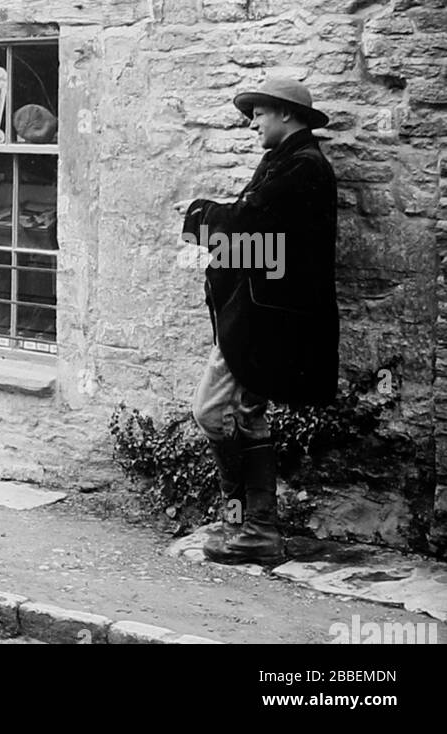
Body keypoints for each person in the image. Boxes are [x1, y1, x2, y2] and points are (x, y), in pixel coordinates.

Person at [182, 77, 339, 564]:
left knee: (210, 411)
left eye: (260, 114)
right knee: (247, 414)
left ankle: (250, 525)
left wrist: (198, 215)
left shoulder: (301, 168)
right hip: (259, 313)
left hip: (263, 319)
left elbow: (243, 228)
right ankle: (249, 527)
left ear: (286, 115)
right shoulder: (285, 161)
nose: (252, 124)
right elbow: (247, 234)